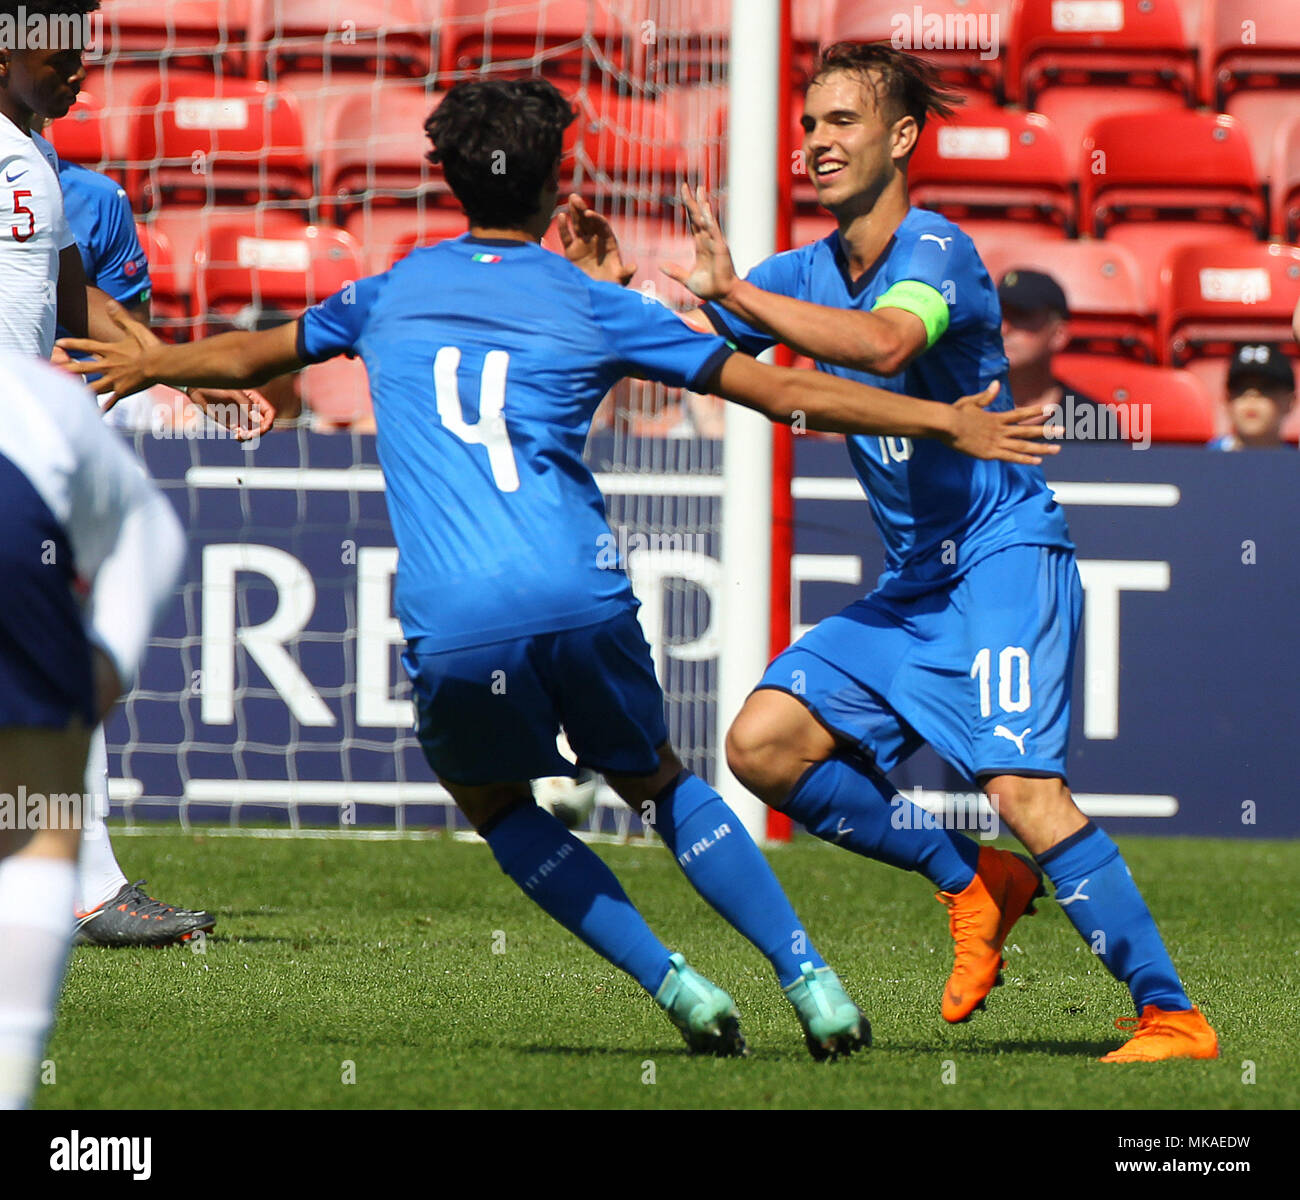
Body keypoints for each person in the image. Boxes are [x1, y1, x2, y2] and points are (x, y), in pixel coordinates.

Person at [61, 78, 1055, 1058]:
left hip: (456, 614)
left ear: (446, 177)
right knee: (659, 783)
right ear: (554, 185)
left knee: (493, 799)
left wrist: (152, 364)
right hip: (580, 593)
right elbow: (783, 391)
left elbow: (249, 357)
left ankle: (676, 984)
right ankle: (814, 983)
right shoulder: (589, 303)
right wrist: (941, 416)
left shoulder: (389, 290)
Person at [661, 42, 1217, 1062]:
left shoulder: (935, 251)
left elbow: (884, 347)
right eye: (810, 124)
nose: (817, 142)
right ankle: (974, 878)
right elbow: (690, 339)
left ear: (902, 136)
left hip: (1002, 555)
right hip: (916, 586)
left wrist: (736, 296)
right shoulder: (798, 273)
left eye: (841, 122)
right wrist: (617, 292)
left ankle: (1169, 1014)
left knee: (1021, 790)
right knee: (763, 747)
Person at [0, 352, 185, 1108]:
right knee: (35, 814)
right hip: (13, 507)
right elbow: (151, 527)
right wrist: (105, 663)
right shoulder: (37, 394)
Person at [997, 268, 1122, 445]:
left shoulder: (1091, 423)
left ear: (1058, 334)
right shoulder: (966, 410)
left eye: (1020, 315)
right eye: (997, 316)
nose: (1003, 329)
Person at [1208, 343, 1296, 451]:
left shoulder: (1295, 464)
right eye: (1241, 388)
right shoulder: (1201, 461)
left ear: (1290, 401)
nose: (1251, 396)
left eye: (1266, 388)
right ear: (1227, 399)